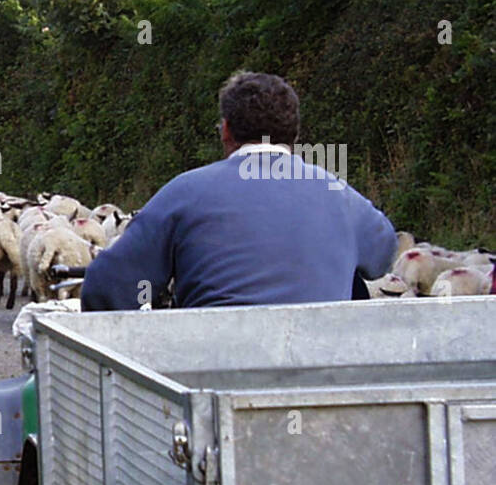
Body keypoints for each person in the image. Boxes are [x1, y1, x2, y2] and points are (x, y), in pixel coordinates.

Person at [81, 72, 397, 311]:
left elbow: (107, 286)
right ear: (295, 134)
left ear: (227, 130)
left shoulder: (186, 191)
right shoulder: (338, 192)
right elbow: (382, 257)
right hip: (324, 375)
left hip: (212, 376)